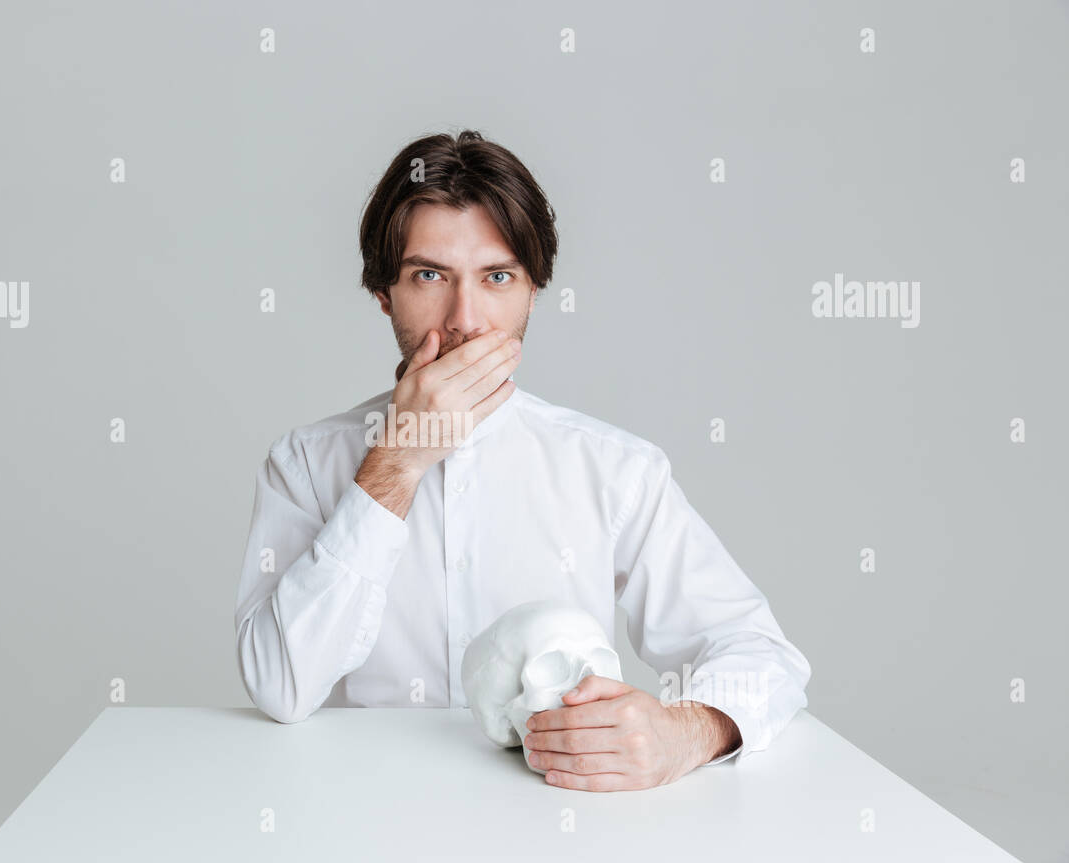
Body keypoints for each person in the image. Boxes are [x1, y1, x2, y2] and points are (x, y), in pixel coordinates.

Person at [234, 130, 811, 791]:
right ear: (383, 294)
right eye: (429, 276)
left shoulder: (614, 470)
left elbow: (760, 653)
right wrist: (394, 464)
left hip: (559, 832)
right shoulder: (304, 466)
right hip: (365, 827)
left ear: (534, 292)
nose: (465, 320)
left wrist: (686, 732)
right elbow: (280, 685)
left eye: (498, 277)